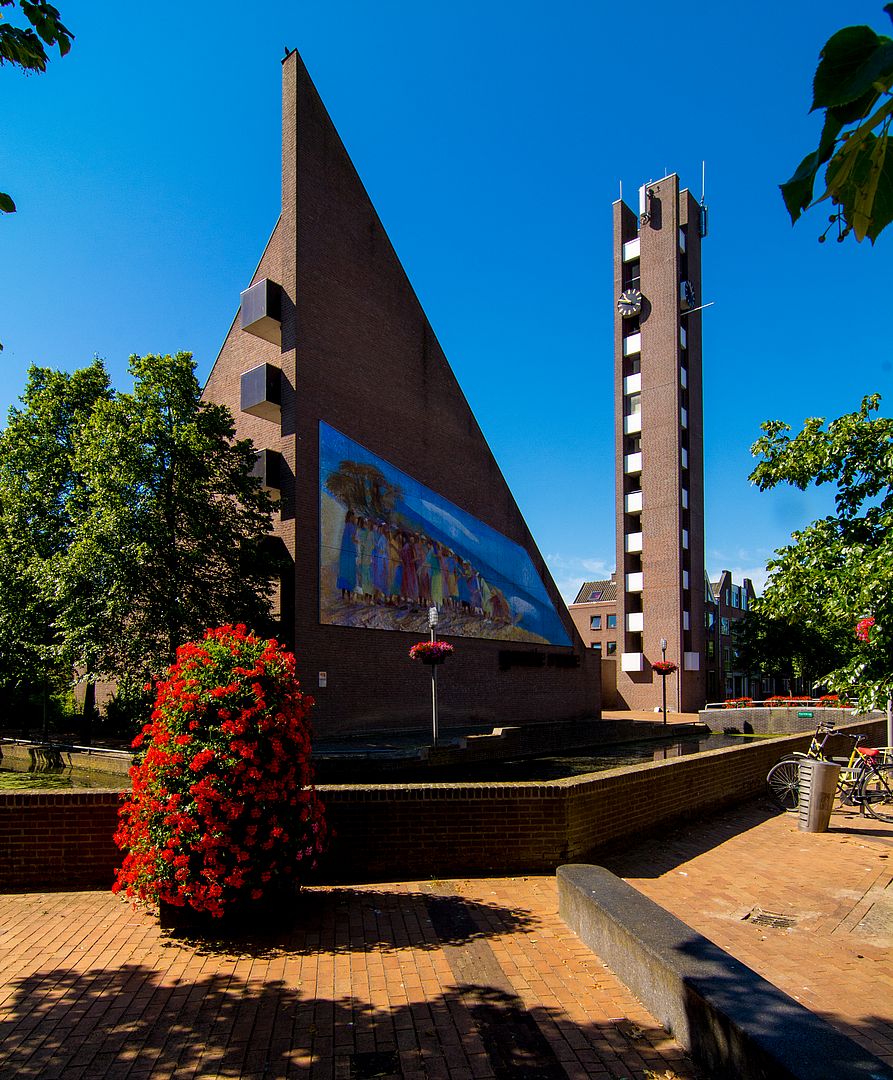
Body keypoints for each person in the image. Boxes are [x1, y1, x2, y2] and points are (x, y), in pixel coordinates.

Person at [336, 510, 358, 600]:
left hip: (345, 553)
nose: (354, 518)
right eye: (353, 516)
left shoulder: (346, 526)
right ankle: (348, 595)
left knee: (344, 572)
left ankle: (343, 594)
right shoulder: (352, 526)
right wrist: (359, 542)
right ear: (350, 517)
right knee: (349, 573)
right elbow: (353, 539)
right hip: (349, 553)